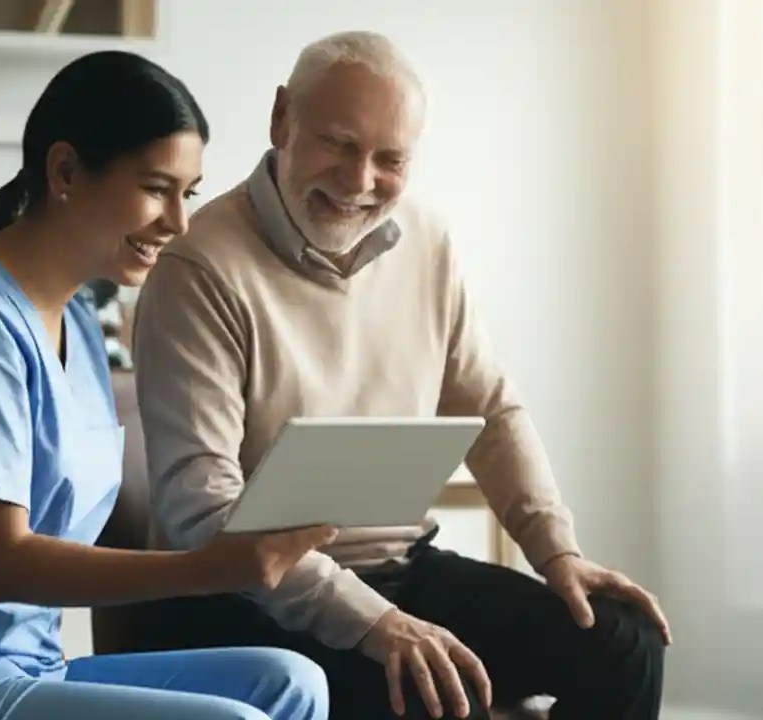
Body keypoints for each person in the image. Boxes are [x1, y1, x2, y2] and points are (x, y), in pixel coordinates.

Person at [130, 31, 671, 720]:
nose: (359, 181)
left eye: (389, 159)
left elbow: (494, 409)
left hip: (400, 570)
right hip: (247, 597)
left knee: (625, 644)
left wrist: (557, 554)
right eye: (339, 144)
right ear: (280, 120)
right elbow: (201, 510)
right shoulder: (198, 268)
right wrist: (373, 623)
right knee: (423, 692)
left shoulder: (428, 242)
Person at [0, 51, 336, 720]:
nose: (178, 222)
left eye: (187, 193)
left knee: (290, 682)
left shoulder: (79, 319)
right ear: (66, 172)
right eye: (156, 187)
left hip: (19, 664)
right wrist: (215, 566)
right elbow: (2, 564)